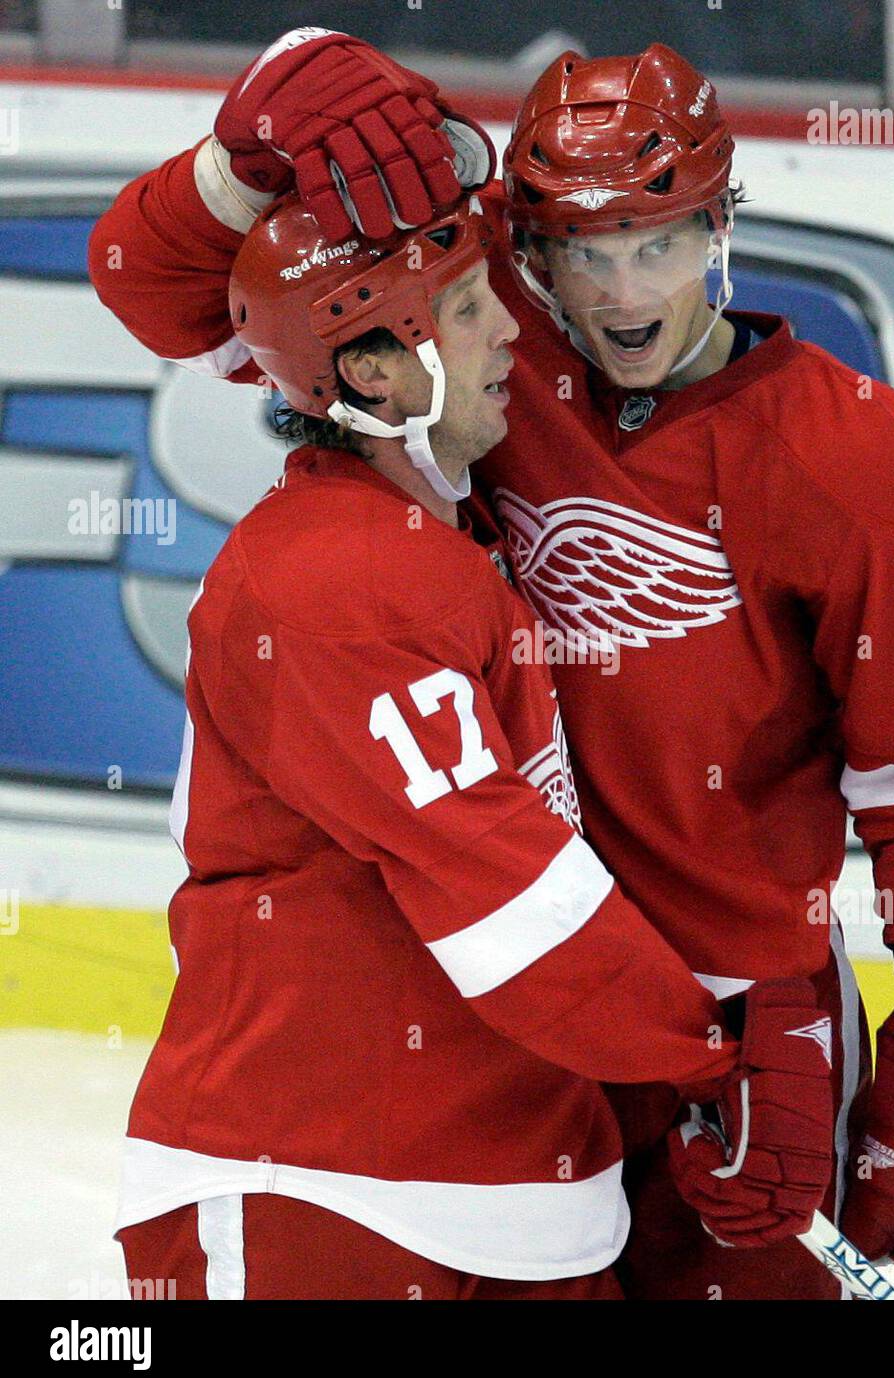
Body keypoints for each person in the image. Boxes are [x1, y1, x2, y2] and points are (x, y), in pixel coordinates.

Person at [89, 28, 894, 1300]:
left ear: (721, 227)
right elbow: (165, 294)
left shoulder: (861, 458)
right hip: (513, 1049)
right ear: (521, 250)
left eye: (660, 242)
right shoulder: (461, 344)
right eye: (582, 255)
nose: (624, 293)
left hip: (750, 1053)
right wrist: (233, 162)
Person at [90, 184, 775, 1300]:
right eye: (464, 309)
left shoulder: (452, 537)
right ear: (371, 371)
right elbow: (506, 900)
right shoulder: (329, 578)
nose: (512, 326)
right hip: (317, 1189)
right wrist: (719, 1051)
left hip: (535, 1203)